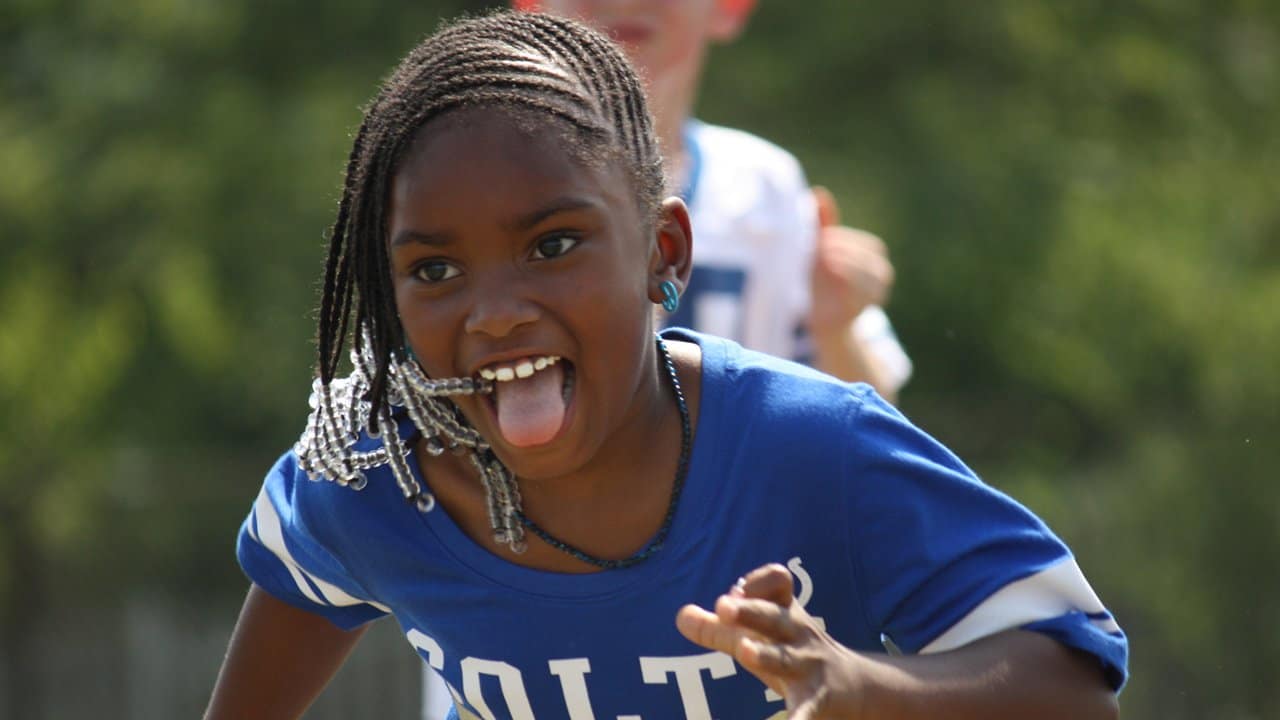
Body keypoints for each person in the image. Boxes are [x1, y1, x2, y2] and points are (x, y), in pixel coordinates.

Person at [204, 11, 1126, 720]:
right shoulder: (376, 473)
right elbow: (290, 610)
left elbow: (1071, 677)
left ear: (664, 253)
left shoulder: (811, 449)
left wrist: (851, 682)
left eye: (553, 244)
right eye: (433, 270)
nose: (494, 313)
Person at [514, 0, 912, 402]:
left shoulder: (766, 186)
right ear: (531, 6)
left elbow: (875, 420)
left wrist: (836, 329)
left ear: (727, 8)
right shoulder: (482, 184)